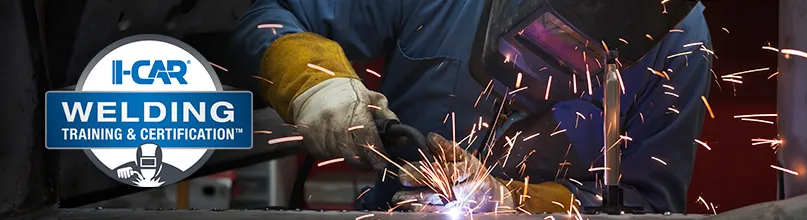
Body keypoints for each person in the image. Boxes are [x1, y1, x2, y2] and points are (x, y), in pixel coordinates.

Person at [230, 0, 712, 214]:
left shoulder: (678, 46)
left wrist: (513, 202)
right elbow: (265, 18)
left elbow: (647, 209)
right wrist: (315, 84)